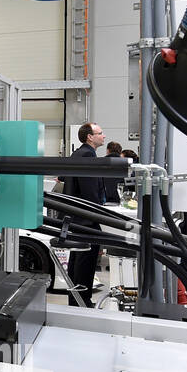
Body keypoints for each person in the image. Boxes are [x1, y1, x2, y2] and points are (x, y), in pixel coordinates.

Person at [61, 122, 108, 305]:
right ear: (90, 136)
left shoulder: (77, 153)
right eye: (100, 132)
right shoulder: (88, 155)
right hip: (87, 220)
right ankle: (83, 302)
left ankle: (75, 300)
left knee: (77, 260)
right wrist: (99, 215)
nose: (103, 136)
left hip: (77, 218)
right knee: (85, 263)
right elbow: (90, 193)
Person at [102, 140, 125, 204]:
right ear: (120, 151)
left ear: (108, 150)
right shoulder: (125, 163)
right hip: (120, 198)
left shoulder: (101, 162)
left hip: (104, 198)